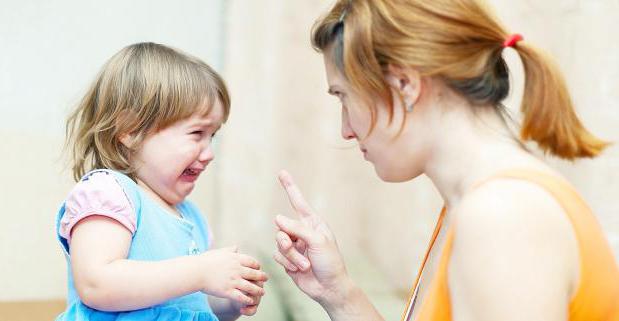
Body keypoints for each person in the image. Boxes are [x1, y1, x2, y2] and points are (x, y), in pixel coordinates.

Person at [272, 1, 619, 320]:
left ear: (404, 83)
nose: (346, 129)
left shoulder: (504, 214)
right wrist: (339, 293)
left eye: (344, 97)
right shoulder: (472, 207)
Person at [56, 42, 268, 321]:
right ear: (130, 130)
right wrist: (200, 271)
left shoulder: (192, 218)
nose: (209, 153)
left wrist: (230, 300)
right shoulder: (109, 192)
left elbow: (191, 304)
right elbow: (97, 283)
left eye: (212, 136)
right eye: (196, 133)